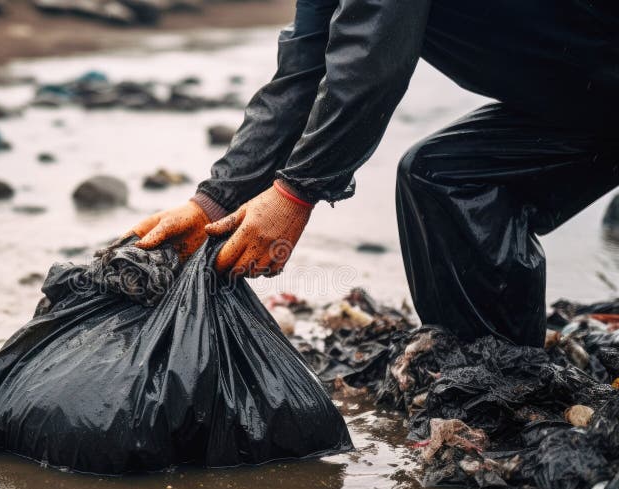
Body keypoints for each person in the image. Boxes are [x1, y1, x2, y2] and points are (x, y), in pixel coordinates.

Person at [128, 0, 619, 348]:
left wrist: (297, 192)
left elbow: (373, 55)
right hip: (587, 99)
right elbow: (305, 71)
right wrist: (214, 202)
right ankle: (503, 379)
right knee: (446, 179)